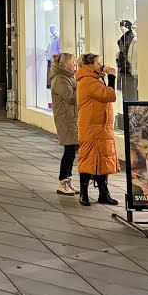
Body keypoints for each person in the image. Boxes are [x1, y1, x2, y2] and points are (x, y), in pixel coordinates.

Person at [75, 53, 119, 206]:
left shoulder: (94, 79)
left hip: (100, 127)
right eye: (98, 63)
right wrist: (112, 76)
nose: (101, 65)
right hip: (92, 127)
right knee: (88, 158)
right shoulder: (88, 81)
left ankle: (103, 193)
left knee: (102, 159)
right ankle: (84, 193)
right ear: (89, 65)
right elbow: (110, 95)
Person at [49, 53, 79, 196]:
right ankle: (62, 181)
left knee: (72, 151)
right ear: (66, 64)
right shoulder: (60, 79)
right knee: (69, 151)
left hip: (71, 118)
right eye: (73, 62)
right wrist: (82, 86)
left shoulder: (68, 77)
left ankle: (68, 180)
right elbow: (71, 98)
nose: (75, 65)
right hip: (66, 119)